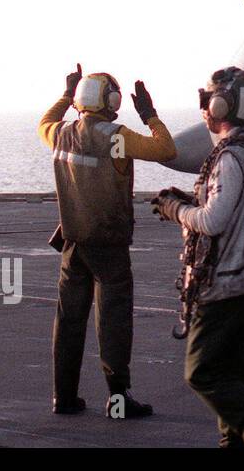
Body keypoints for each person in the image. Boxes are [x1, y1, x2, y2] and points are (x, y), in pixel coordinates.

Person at [151, 67, 244, 448]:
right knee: (237, 377)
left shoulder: (230, 156)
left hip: (227, 284)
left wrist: (175, 209)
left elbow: (214, 220)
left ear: (221, 106)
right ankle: (234, 443)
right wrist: (191, 202)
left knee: (201, 372)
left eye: (208, 101)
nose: (205, 109)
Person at [38, 65, 174, 418]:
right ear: (111, 100)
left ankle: (63, 397)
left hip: (72, 244)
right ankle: (118, 401)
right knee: (113, 322)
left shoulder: (60, 133)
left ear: (80, 99)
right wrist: (150, 115)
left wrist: (65, 95)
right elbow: (167, 150)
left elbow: (43, 123)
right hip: (109, 246)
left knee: (68, 320)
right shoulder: (116, 136)